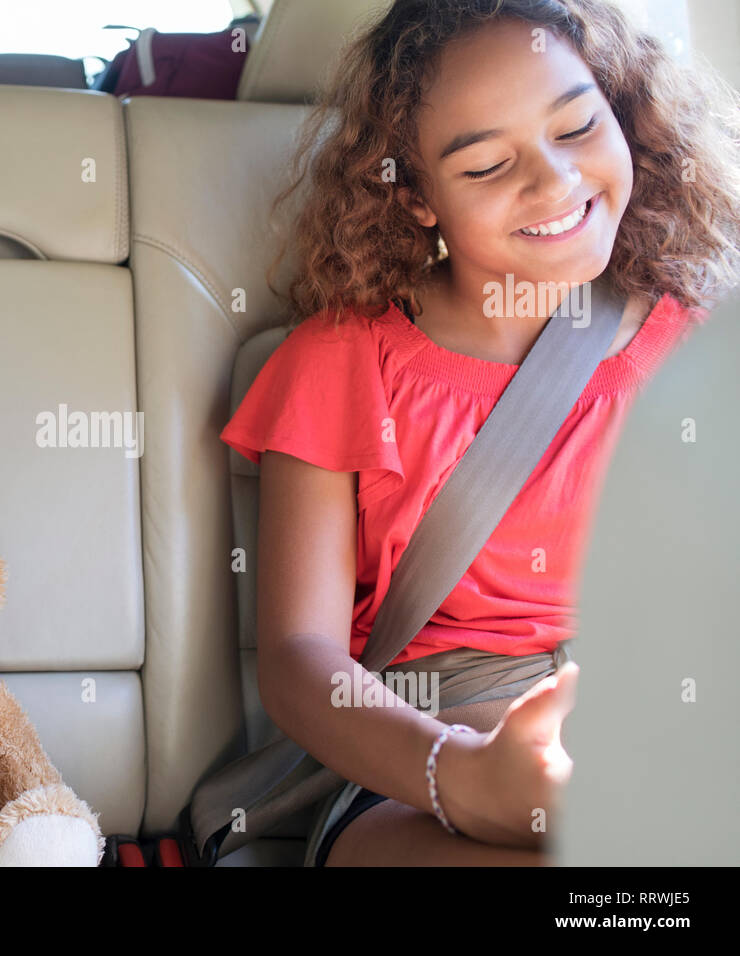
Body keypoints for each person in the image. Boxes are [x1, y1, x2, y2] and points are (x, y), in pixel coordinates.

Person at [221, 0, 740, 865]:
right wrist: (457, 775)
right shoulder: (344, 361)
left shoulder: (698, 345)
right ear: (417, 197)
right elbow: (297, 658)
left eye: (577, 125)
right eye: (489, 164)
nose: (554, 181)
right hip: (422, 767)